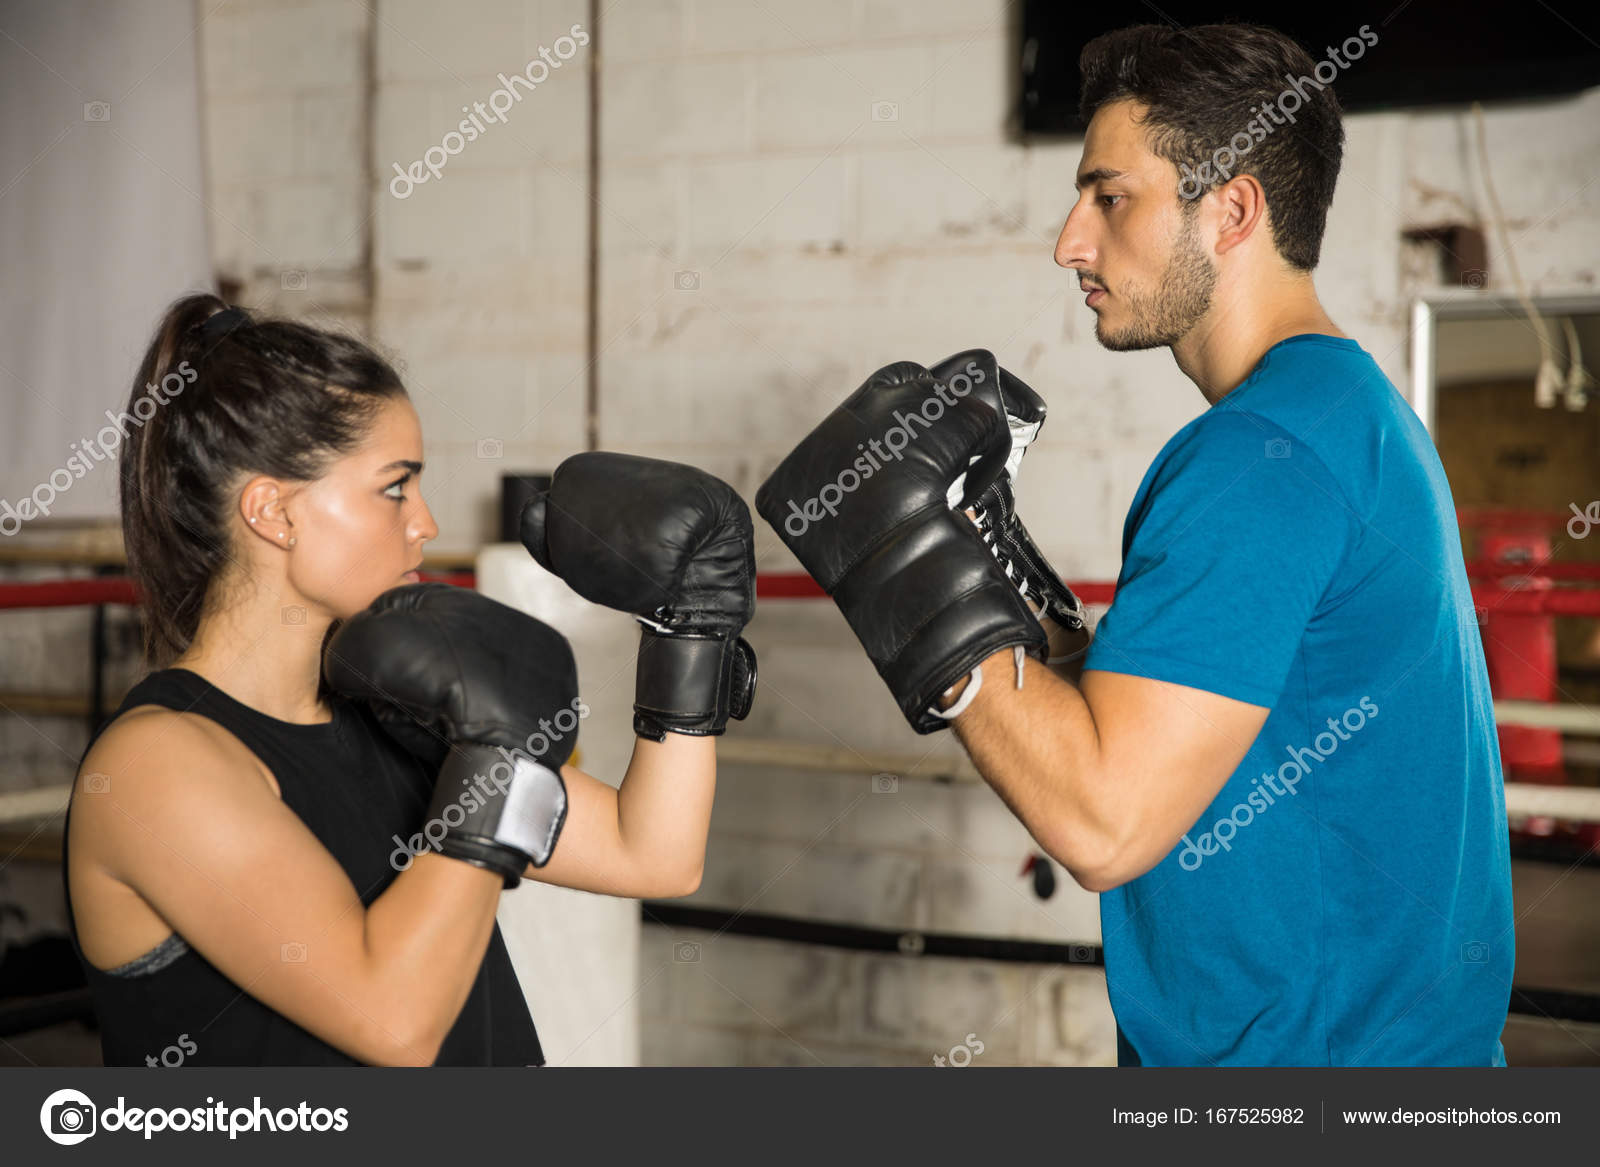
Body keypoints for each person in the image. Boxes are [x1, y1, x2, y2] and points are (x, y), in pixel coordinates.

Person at [759, 22, 1512, 1066]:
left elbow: (1102, 822)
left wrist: (913, 575)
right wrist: (1003, 578)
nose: (1071, 240)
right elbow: (1171, 717)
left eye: (1110, 198)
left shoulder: (1252, 458)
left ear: (1232, 208)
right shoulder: (1352, 416)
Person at [62, 294, 756, 1066]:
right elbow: (395, 1021)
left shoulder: (395, 712)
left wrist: (689, 629)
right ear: (273, 512)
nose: (424, 522)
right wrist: (496, 761)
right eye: (395, 486)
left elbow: (653, 851)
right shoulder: (155, 768)